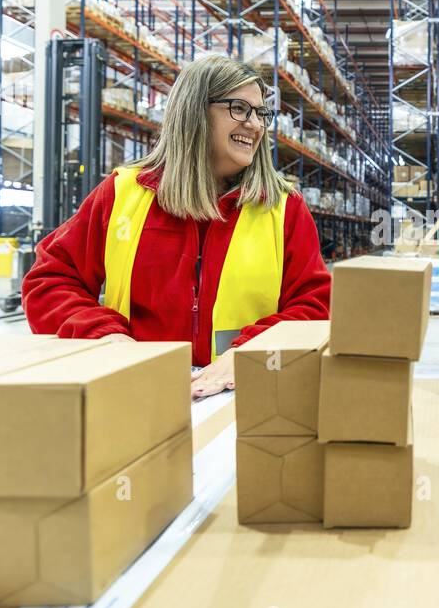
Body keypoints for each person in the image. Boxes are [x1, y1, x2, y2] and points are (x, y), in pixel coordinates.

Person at [22, 54, 331, 398]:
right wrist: (106, 338)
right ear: (195, 110)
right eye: (240, 109)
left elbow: (316, 304)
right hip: (138, 390)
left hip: (246, 392)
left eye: (260, 113)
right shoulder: (121, 194)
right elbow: (49, 279)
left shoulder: (283, 207)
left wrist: (250, 351)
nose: (255, 125)